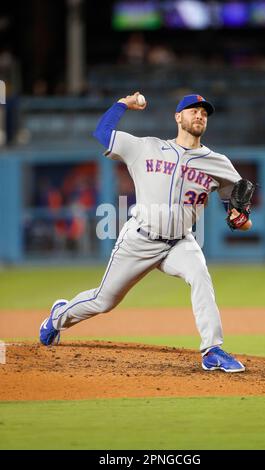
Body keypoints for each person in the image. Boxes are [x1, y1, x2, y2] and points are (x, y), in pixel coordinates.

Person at [40, 92, 252, 373]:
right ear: (178, 117)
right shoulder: (146, 148)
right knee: (104, 301)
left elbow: (239, 212)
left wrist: (240, 220)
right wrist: (123, 104)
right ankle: (58, 317)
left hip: (180, 242)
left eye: (204, 112)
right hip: (140, 238)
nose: (200, 115)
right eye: (193, 110)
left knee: (200, 275)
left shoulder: (218, 163)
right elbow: (102, 132)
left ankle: (212, 350)